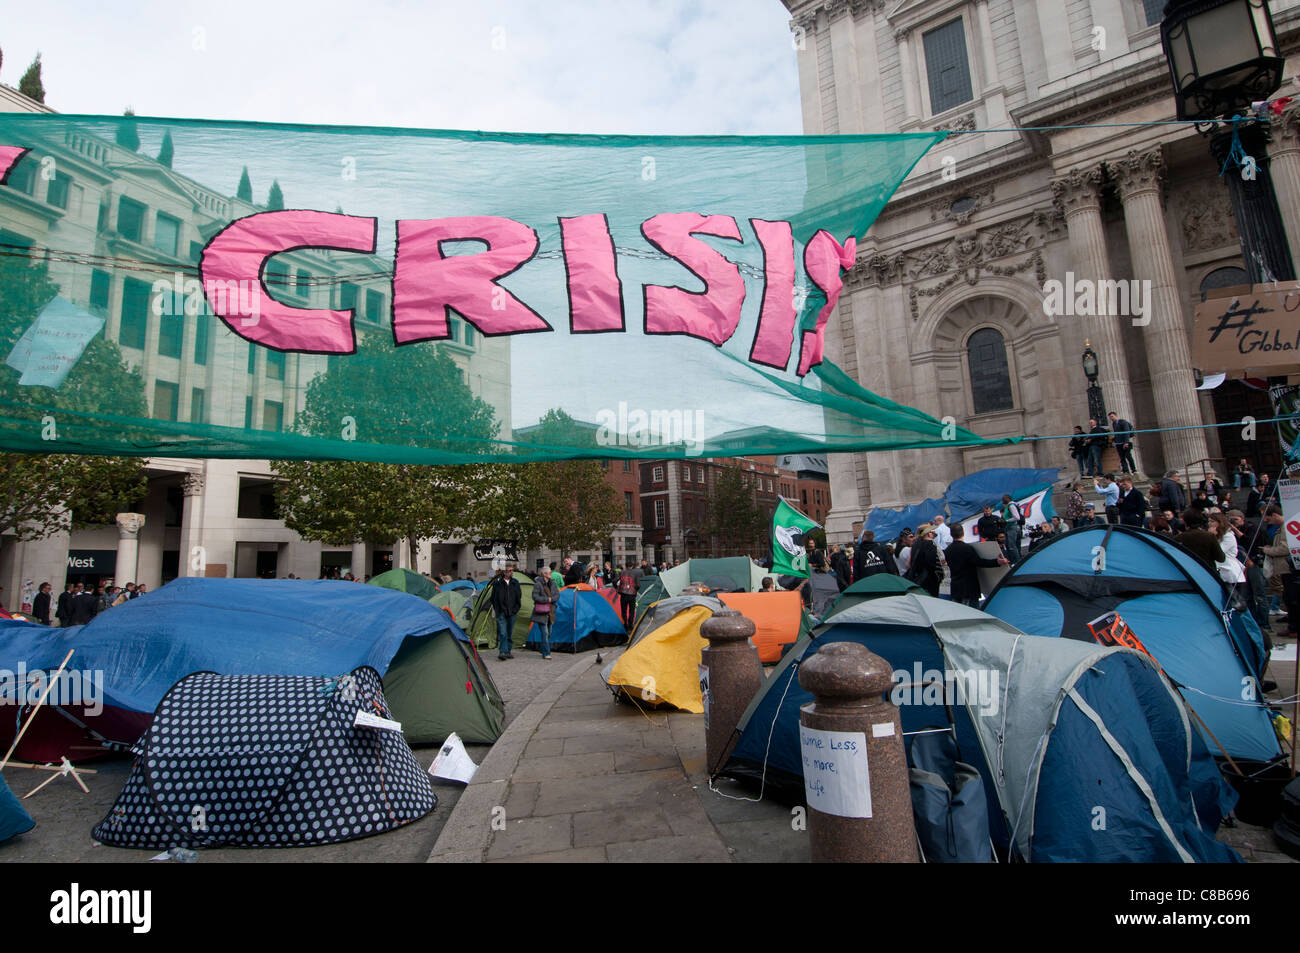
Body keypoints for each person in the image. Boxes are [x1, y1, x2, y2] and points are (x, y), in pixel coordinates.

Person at [944, 524, 1008, 607]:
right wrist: (997, 562)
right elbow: (979, 562)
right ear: (963, 533)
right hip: (969, 588)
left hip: (955, 588)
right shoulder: (967, 548)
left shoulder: (948, 550)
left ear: (951, 534)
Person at [490, 562, 522, 660]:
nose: (509, 572)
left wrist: (516, 609)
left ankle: (508, 650)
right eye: (507, 570)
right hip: (502, 611)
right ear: (503, 572)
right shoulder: (497, 583)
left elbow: (518, 596)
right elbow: (493, 597)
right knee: (503, 632)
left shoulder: (515, 583)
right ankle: (502, 652)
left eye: (511, 570)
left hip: (512, 611)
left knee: (509, 632)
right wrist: (497, 609)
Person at [905, 525, 943, 598]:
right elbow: (932, 564)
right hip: (929, 581)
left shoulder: (916, 545)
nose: (934, 534)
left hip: (919, 579)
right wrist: (939, 577)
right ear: (928, 533)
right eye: (932, 532)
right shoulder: (930, 545)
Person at [531, 561, 558, 660]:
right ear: (545, 574)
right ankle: (546, 653)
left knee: (549, 632)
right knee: (545, 633)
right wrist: (547, 600)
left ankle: (543, 648)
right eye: (550, 573)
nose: (551, 574)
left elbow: (557, 595)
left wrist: (552, 599)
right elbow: (535, 597)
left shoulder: (553, 584)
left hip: (550, 612)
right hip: (541, 612)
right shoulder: (538, 584)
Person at [1108, 411, 1137, 475]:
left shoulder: (1122, 422)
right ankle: (1125, 471)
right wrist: (1113, 439)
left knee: (1128, 456)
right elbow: (1117, 434)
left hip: (1125, 442)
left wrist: (1126, 442)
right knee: (1122, 458)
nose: (1111, 418)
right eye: (1110, 417)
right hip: (1118, 443)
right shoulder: (1114, 424)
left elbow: (1126, 432)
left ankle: (1134, 470)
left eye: (1112, 416)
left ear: (1116, 415)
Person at [616, 560, 642, 628]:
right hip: (632, 594)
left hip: (623, 594)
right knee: (631, 611)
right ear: (632, 566)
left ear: (625, 566)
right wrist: (635, 589)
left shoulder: (621, 573)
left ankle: (625, 625)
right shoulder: (635, 574)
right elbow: (638, 585)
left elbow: (615, 581)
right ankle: (630, 625)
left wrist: (618, 588)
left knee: (623, 611)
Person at [999, 494, 1023, 562]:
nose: (1003, 500)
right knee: (1012, 546)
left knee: (1012, 546)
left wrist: (1006, 521)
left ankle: (1017, 561)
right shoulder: (1008, 506)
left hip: (1012, 527)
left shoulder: (1011, 506)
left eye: (1004, 499)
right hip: (1010, 528)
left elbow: (1017, 517)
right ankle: (1016, 560)